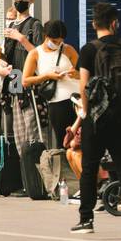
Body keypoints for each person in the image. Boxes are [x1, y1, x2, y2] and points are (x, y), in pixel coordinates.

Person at [70, 1, 121, 234]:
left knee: (89, 167)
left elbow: (83, 86)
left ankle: (86, 219)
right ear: (115, 23)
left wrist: (85, 112)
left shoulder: (89, 50)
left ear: (94, 24)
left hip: (96, 118)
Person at [0, 0, 45, 154]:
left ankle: (36, 175)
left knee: (32, 133)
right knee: (17, 136)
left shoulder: (35, 25)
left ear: (31, 0)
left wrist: (22, 39)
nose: (19, 1)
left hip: (30, 86)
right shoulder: (11, 26)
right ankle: (25, 176)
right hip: (14, 82)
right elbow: (8, 56)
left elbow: (40, 54)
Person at [23, 19, 80, 147]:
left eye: (61, 41)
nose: (58, 44)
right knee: (64, 142)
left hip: (77, 100)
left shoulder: (68, 49)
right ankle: (65, 167)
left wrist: (76, 74)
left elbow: (83, 72)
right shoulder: (35, 54)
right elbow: (25, 80)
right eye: (55, 41)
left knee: (81, 141)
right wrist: (47, 76)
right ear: (46, 36)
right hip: (58, 103)